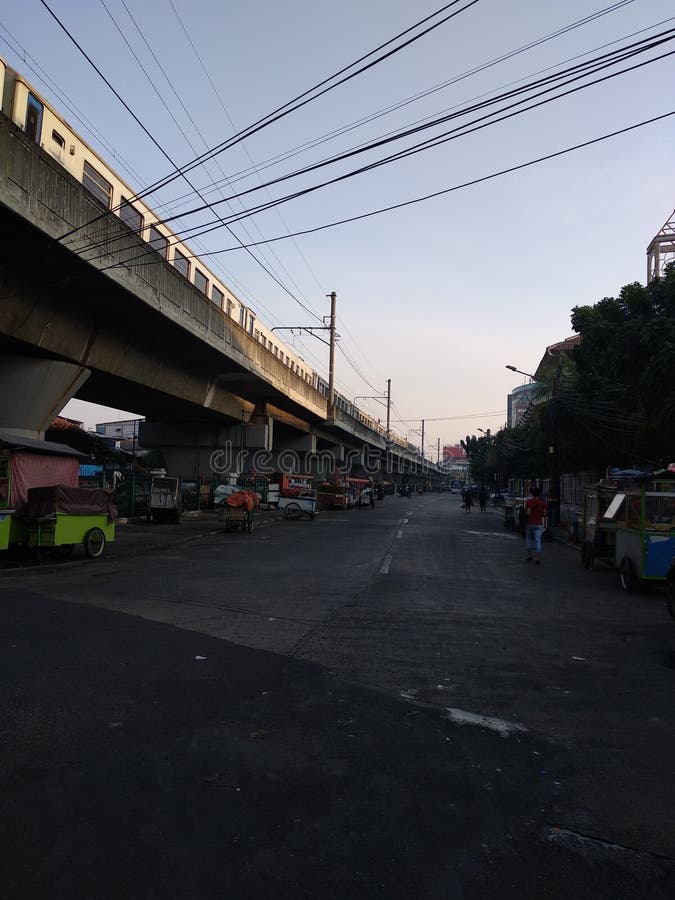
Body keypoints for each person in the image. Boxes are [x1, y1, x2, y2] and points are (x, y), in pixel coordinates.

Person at [525, 486, 547, 564]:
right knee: (538, 541)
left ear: (532, 494)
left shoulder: (529, 502)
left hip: (530, 523)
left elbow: (528, 513)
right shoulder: (542, 503)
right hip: (538, 524)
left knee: (529, 540)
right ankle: (538, 558)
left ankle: (529, 555)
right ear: (539, 494)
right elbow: (544, 514)